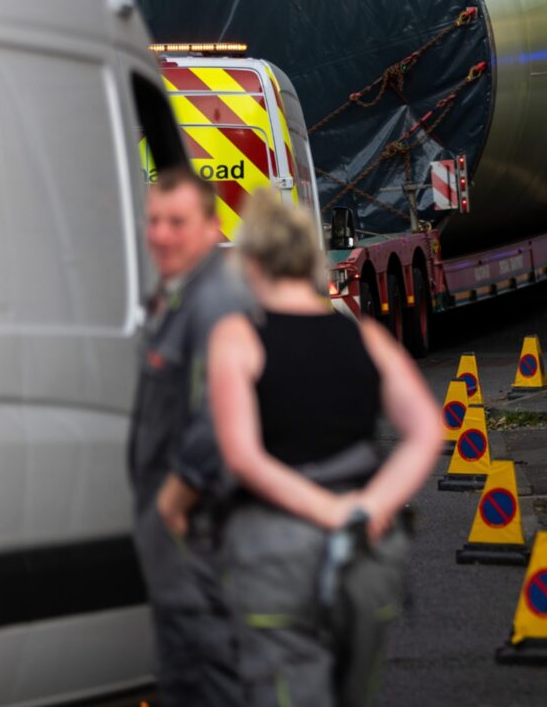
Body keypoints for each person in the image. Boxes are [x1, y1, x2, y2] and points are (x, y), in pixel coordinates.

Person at [208, 193, 445, 707]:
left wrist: (326, 511)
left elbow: (242, 456)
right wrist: (369, 508)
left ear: (250, 263)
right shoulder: (364, 338)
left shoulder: (238, 338)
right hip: (365, 554)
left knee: (288, 689)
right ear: (311, 259)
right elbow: (427, 431)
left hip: (275, 550)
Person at [129, 166, 253, 706]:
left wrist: (175, 501)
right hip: (184, 546)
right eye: (154, 221)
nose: (160, 235)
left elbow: (226, 410)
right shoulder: (183, 297)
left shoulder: (215, 302)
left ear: (210, 226)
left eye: (176, 222)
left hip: (202, 539)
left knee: (207, 683)